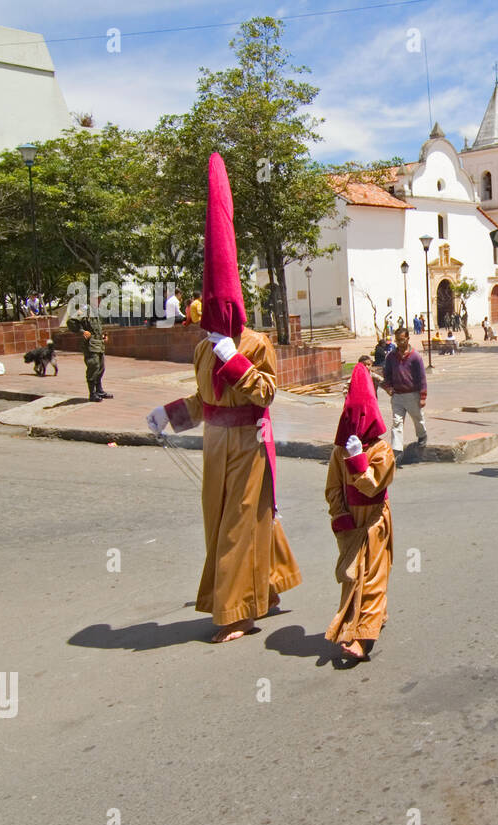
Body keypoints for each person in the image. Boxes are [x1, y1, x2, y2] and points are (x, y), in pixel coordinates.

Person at [146, 152, 301, 644]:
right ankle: (272, 583)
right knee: (228, 518)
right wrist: (168, 414)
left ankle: (237, 612)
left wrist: (236, 358)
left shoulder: (254, 343)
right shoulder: (201, 347)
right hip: (215, 441)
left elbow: (268, 393)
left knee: (236, 524)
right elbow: (201, 400)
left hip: (249, 440)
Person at [325, 363, 395, 664]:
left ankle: (364, 639)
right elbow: (332, 489)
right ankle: (365, 621)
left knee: (374, 577)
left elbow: (372, 486)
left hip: (376, 519)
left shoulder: (381, 450)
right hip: (350, 523)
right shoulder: (339, 451)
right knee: (353, 576)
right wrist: (339, 516)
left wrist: (358, 462)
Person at [382, 328, 428, 465]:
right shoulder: (391, 356)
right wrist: (388, 387)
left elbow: (422, 377)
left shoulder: (415, 357)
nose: (399, 342)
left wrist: (423, 395)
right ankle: (396, 450)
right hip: (397, 396)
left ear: (408, 339)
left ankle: (422, 436)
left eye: (402, 339)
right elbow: (387, 374)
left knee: (418, 419)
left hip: (412, 394)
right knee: (397, 422)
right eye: (397, 340)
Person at [66, 296, 111, 402]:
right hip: (90, 345)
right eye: (97, 299)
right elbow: (71, 321)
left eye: (100, 299)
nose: (99, 301)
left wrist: (104, 335)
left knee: (101, 367)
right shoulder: (85, 310)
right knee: (93, 366)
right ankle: (92, 393)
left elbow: (98, 327)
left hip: (99, 344)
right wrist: (82, 331)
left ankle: (99, 390)